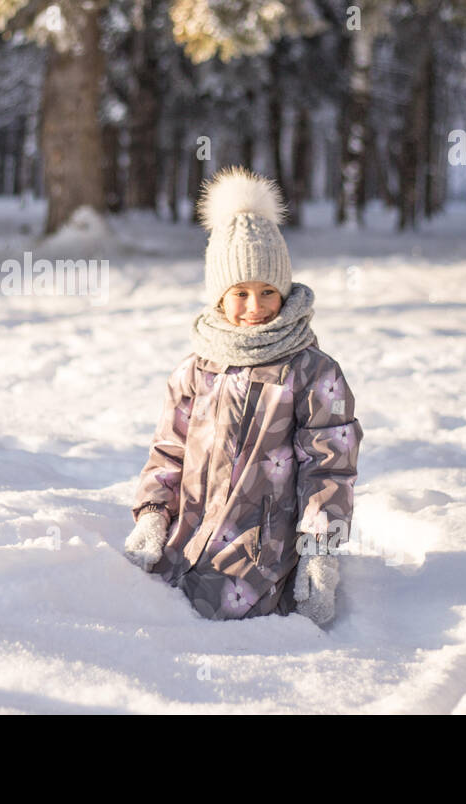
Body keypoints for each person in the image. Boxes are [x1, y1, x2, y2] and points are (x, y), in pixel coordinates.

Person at [123, 166, 363, 625]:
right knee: (158, 626)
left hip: (263, 562)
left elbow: (328, 468)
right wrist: (153, 516)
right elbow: (169, 452)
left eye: (268, 291)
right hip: (184, 548)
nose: (255, 308)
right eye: (241, 293)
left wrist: (319, 556)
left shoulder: (313, 372)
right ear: (218, 296)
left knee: (228, 636)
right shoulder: (195, 369)